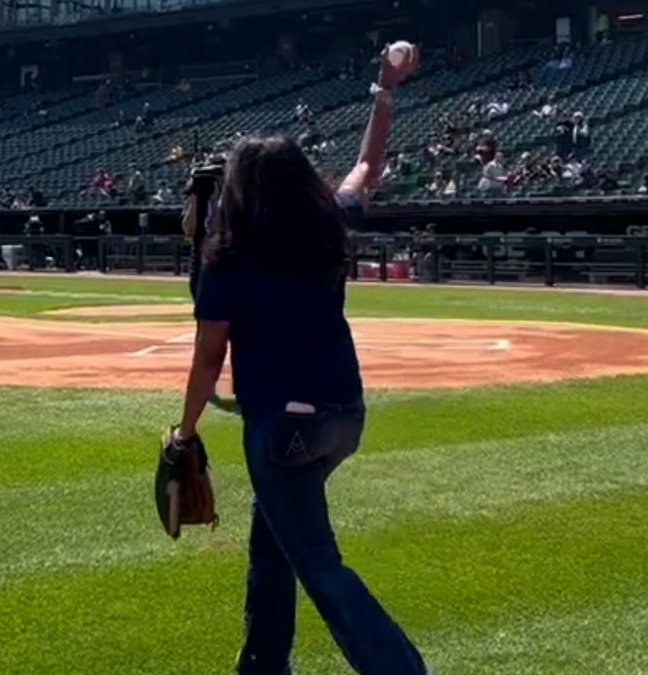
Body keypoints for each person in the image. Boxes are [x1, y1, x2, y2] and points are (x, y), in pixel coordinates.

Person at [172, 42, 428, 675]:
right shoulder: (329, 225)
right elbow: (367, 165)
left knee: (318, 563)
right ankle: (261, 663)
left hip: (283, 427)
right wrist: (384, 88)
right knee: (274, 537)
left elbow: (209, 358)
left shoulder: (226, 258)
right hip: (344, 417)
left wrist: (186, 429)